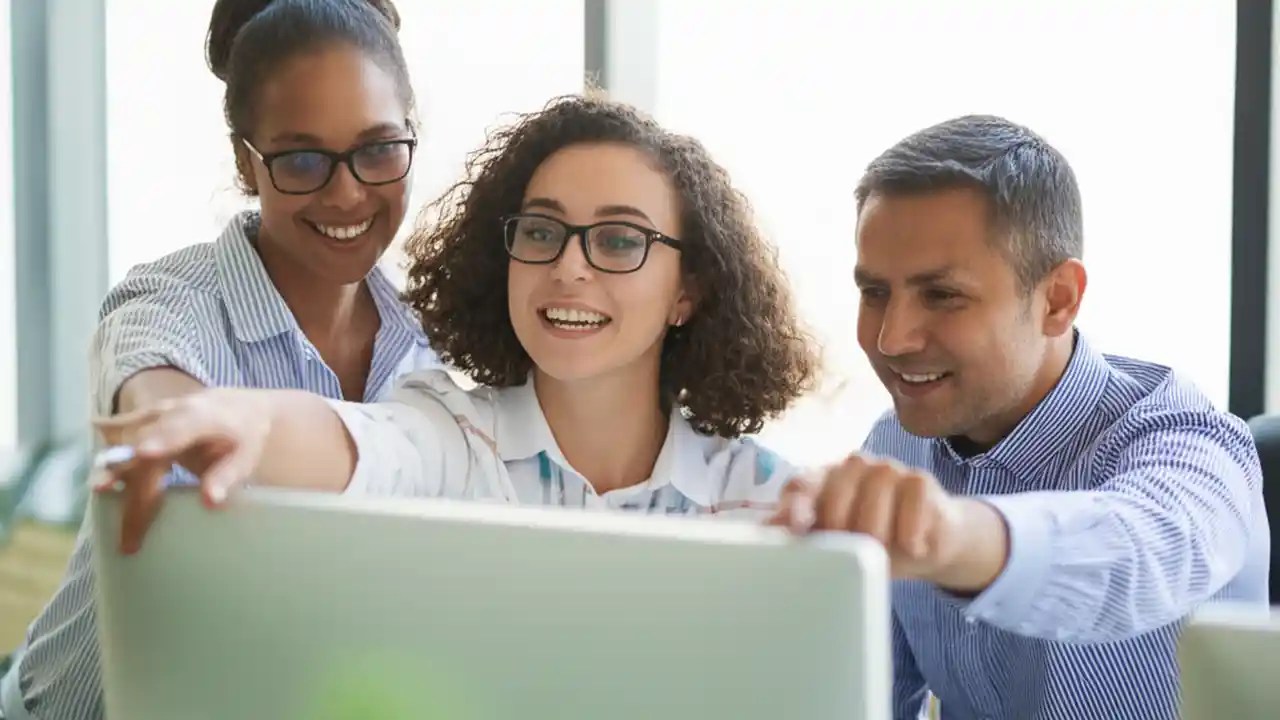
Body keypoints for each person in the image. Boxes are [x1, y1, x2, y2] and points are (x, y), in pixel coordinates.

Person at [91, 94, 819, 552]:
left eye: (620, 240)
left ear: (687, 291)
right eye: (541, 231)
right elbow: (351, 443)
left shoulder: (763, 497)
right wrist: (241, 416)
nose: (569, 267)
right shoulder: (450, 438)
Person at [0, 1, 434, 718]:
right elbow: (151, 387)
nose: (348, 191)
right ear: (245, 161)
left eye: (379, 149)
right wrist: (185, 420)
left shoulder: (427, 348)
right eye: (301, 160)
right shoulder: (173, 299)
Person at [769, 115, 1270, 719]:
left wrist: (951, 536)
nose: (891, 339)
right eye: (875, 292)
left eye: (942, 295)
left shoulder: (1189, 436)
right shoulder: (896, 443)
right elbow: (870, 700)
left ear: (1058, 299)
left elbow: (1141, 553)